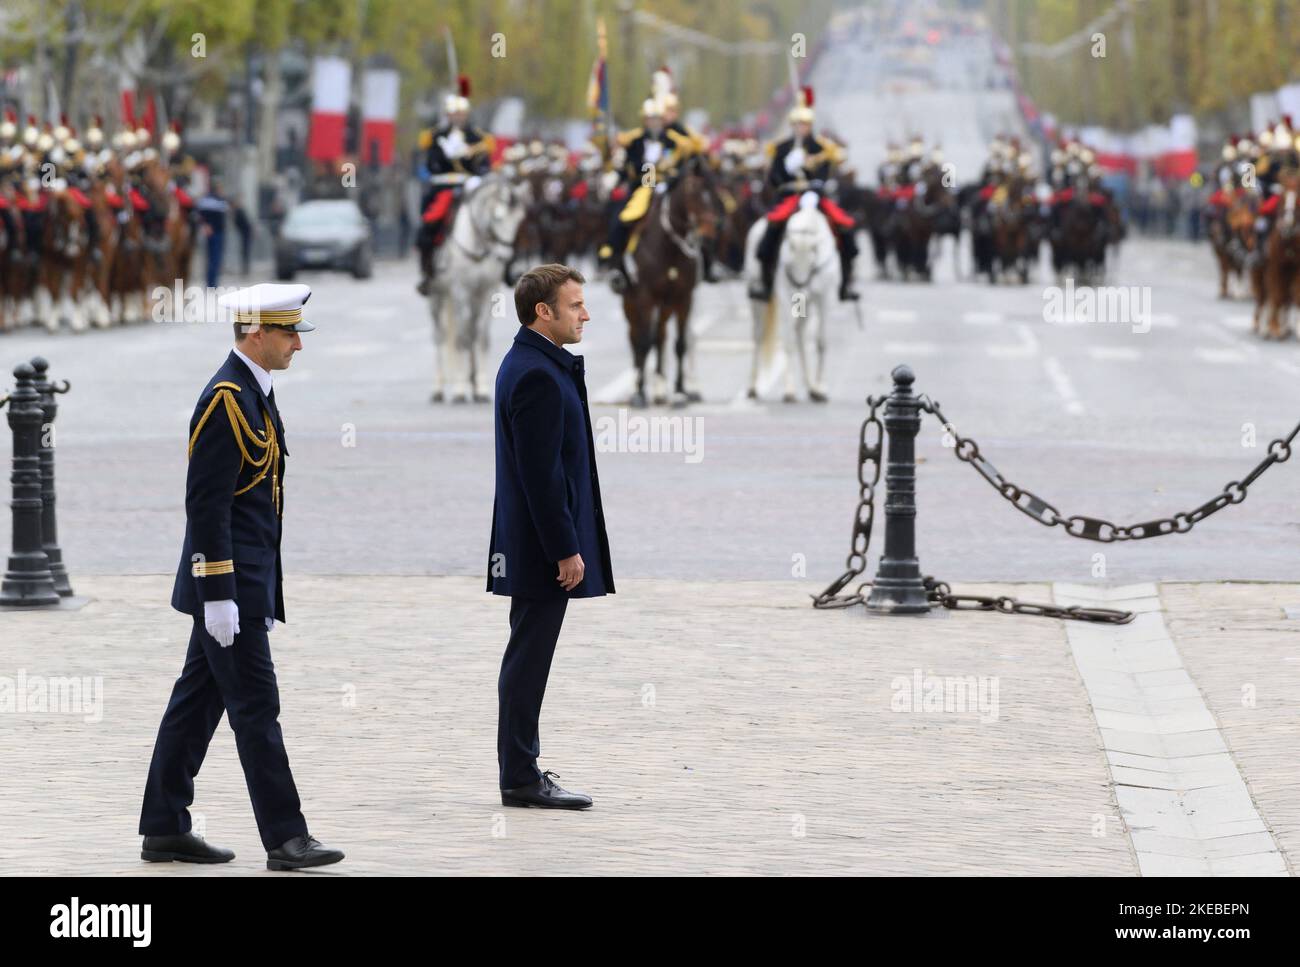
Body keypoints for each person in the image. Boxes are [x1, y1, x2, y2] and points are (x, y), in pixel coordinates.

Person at [139, 283, 344, 871]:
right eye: (288, 335)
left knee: (197, 703)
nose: (296, 348)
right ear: (256, 332)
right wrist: (220, 596)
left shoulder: (255, 391)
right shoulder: (226, 399)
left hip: (244, 583)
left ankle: (164, 827)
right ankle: (286, 838)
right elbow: (206, 508)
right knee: (257, 707)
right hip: (229, 588)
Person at [487, 263, 614, 808]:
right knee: (528, 658)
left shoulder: (536, 362)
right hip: (542, 547)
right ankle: (520, 774)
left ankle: (522, 768)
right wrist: (566, 549)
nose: (585, 314)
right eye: (576, 305)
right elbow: (542, 477)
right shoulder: (536, 373)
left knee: (528, 654)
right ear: (544, 311)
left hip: (535, 541)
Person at [749, 87, 859, 302]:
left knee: (845, 227)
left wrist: (814, 188)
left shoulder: (821, 148)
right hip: (788, 197)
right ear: (792, 125)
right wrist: (788, 170)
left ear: (810, 125)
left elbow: (824, 175)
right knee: (771, 230)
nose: (801, 128)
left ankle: (846, 283)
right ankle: (765, 282)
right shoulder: (781, 149)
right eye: (798, 124)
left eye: (805, 124)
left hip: (813, 198)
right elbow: (773, 179)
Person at [415, 77, 495, 294]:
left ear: (466, 115)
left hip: (470, 187)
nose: (457, 117)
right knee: (429, 222)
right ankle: (427, 270)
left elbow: (485, 165)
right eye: (453, 114)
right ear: (448, 115)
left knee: (493, 220)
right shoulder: (435, 136)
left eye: (460, 114)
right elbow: (430, 164)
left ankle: (501, 267)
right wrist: (443, 161)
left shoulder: (477, 138)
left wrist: (477, 176)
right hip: (443, 187)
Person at [196, 179, 229, 288]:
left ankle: (213, 282)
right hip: (214, 233)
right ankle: (211, 283)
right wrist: (206, 226)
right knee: (213, 259)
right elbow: (201, 215)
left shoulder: (218, 199)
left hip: (219, 232)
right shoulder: (210, 200)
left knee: (215, 259)